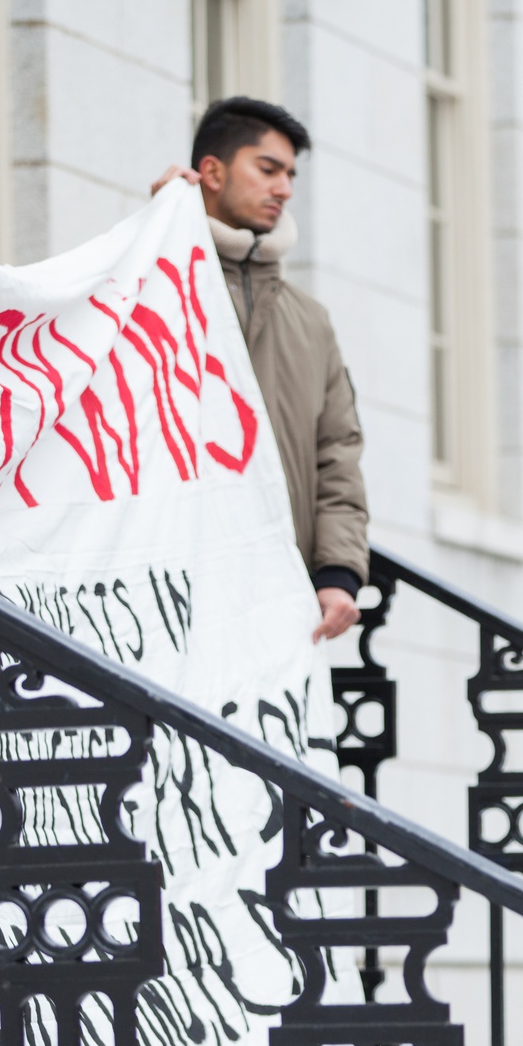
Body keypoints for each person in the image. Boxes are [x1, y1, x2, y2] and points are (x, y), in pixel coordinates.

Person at [151, 98, 369, 641]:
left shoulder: (311, 322)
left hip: (280, 598)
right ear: (212, 172)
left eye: (291, 174)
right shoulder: (152, 279)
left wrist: (338, 574)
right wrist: (156, 232)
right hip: (165, 589)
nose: (285, 188)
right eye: (268, 169)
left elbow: (336, 454)